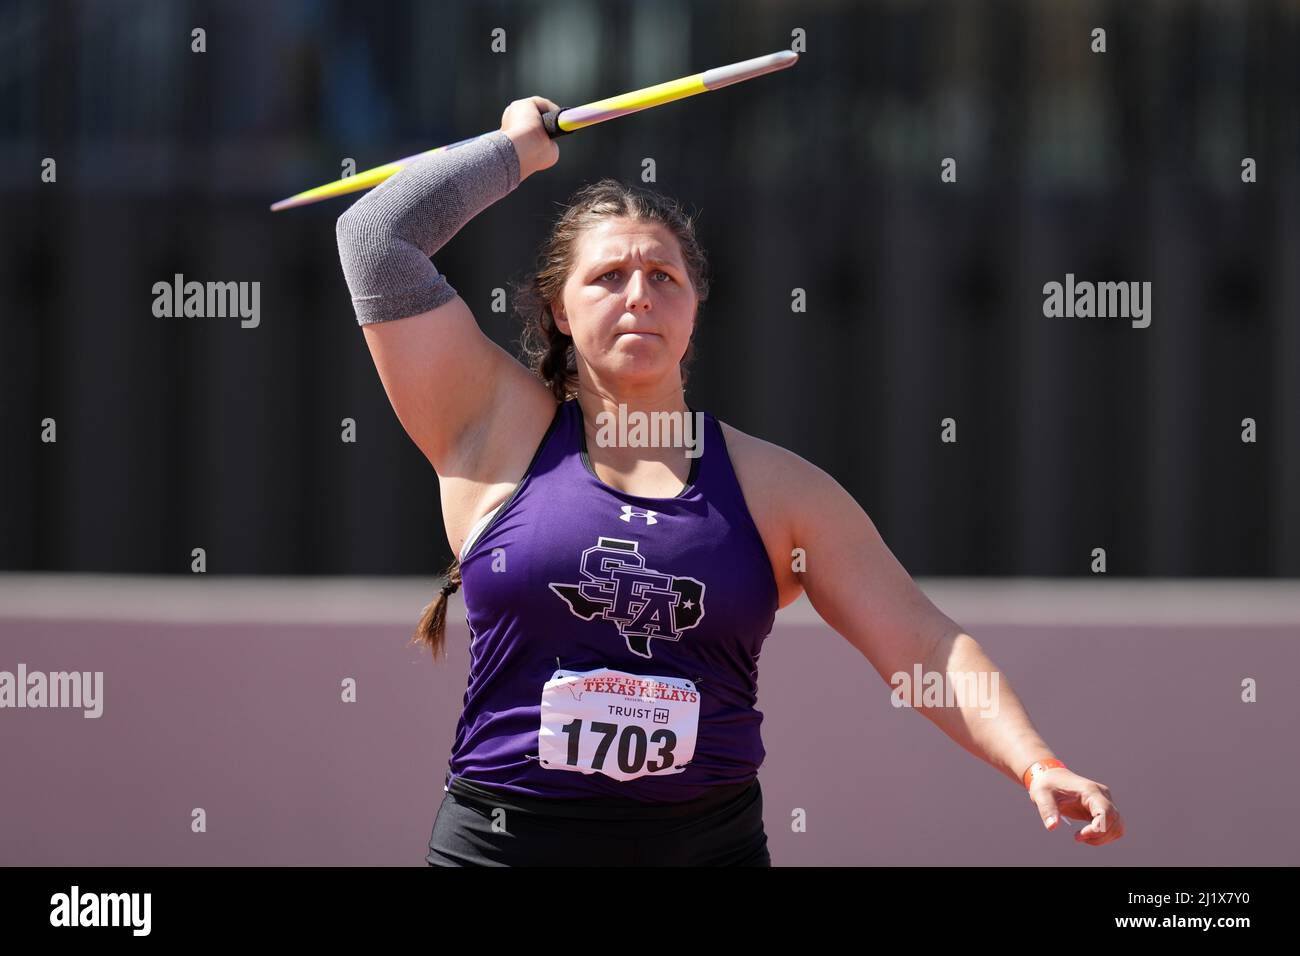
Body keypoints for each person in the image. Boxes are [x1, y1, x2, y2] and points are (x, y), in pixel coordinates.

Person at [334, 96, 1126, 866]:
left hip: (703, 847)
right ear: (560, 311)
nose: (639, 293)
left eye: (664, 277)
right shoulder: (492, 428)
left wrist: (1036, 762)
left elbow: (923, 642)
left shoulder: (777, 490)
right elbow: (374, 239)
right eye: (608, 277)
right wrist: (513, 152)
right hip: (504, 846)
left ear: (695, 308)